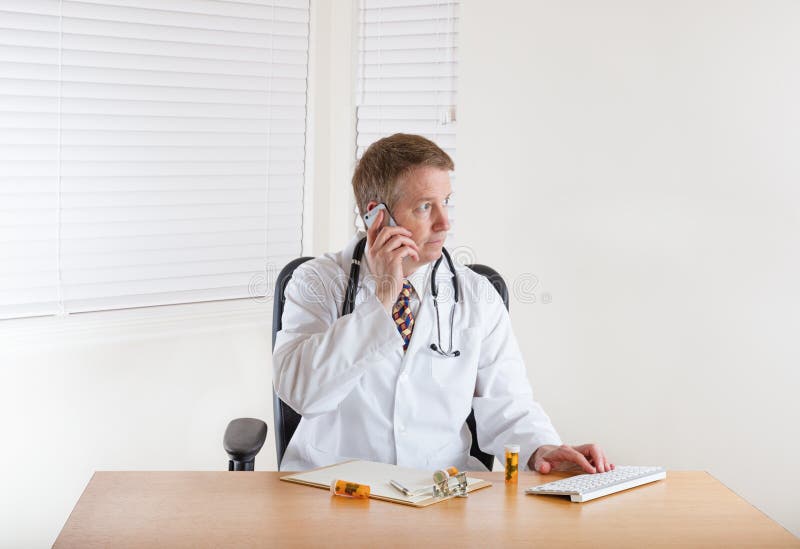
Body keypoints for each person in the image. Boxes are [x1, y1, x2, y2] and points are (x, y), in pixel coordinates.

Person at [273, 133, 613, 474]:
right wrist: (383, 298)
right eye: (425, 206)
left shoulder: (477, 295)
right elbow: (302, 393)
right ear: (376, 216)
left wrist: (542, 449)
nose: (445, 222)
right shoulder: (316, 282)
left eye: (446, 202)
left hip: (440, 491)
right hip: (332, 489)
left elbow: (509, 405)